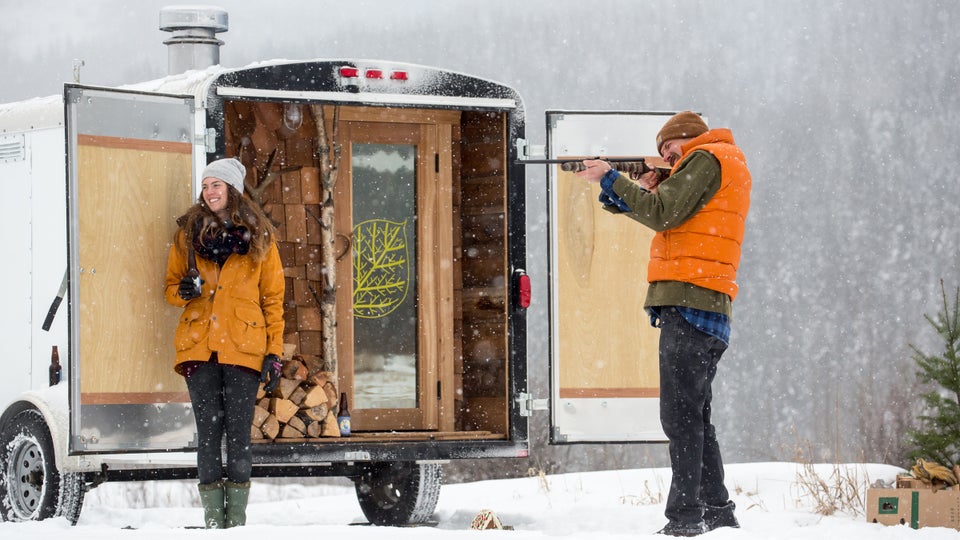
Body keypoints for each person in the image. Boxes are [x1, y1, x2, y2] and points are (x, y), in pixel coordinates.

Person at [576, 111, 751, 537]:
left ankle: (685, 519)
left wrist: (611, 177)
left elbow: (662, 214)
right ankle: (717, 511)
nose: (664, 157)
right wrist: (629, 187)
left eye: (667, 149)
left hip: (690, 302)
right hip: (703, 303)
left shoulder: (708, 158)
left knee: (679, 417)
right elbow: (665, 211)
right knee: (695, 415)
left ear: (688, 139)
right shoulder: (720, 163)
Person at [164, 157, 285, 528]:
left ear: (232, 190)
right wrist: (183, 292)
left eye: (217, 185)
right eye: (205, 186)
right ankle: (214, 522)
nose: (210, 192)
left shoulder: (260, 238)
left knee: (238, 438)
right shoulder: (188, 235)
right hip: (199, 347)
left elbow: (273, 299)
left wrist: (274, 353)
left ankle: (237, 524)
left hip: (243, 348)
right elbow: (170, 288)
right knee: (208, 436)